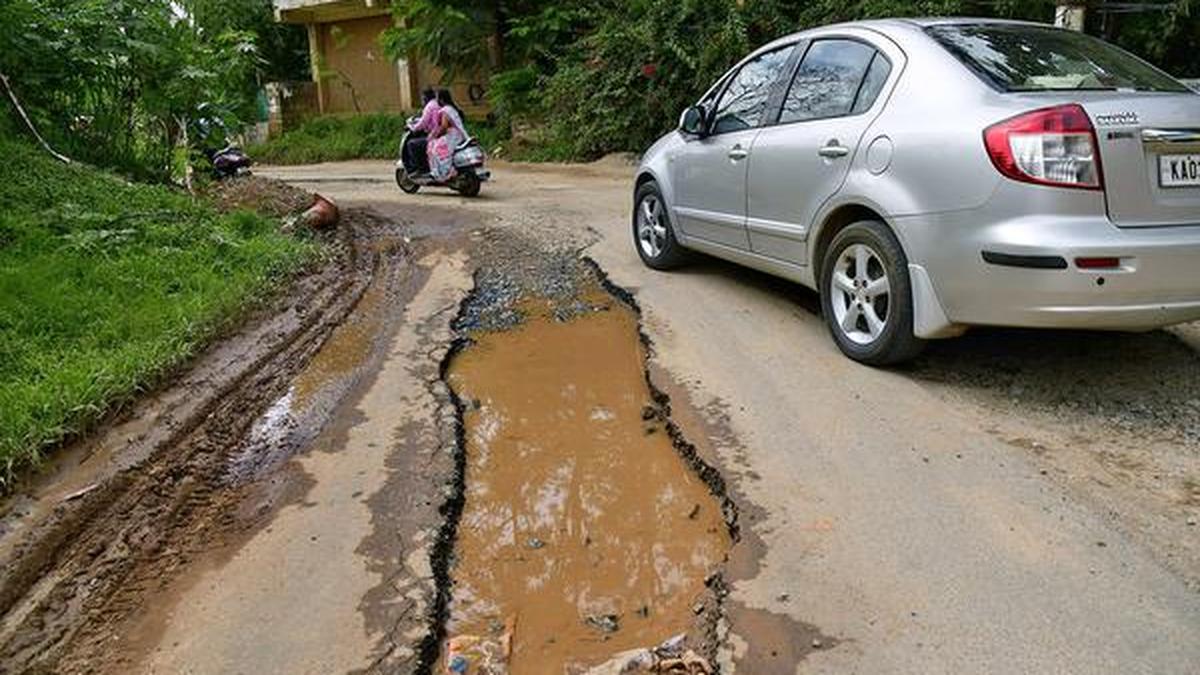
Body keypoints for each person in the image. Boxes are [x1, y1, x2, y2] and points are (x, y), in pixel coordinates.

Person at [427, 88, 469, 182]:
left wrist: (435, 135)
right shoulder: (452, 108)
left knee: (435, 148)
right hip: (457, 135)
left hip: (452, 136)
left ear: (441, 99)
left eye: (437, 98)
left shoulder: (445, 111)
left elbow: (444, 126)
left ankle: (445, 172)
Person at [403, 88, 439, 174]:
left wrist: (412, 128)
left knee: (411, 144)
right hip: (439, 133)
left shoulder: (429, 106)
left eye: (422, 98)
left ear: (425, 97)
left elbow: (423, 123)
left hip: (434, 135)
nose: (422, 101)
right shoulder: (436, 104)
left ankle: (421, 168)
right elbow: (426, 120)